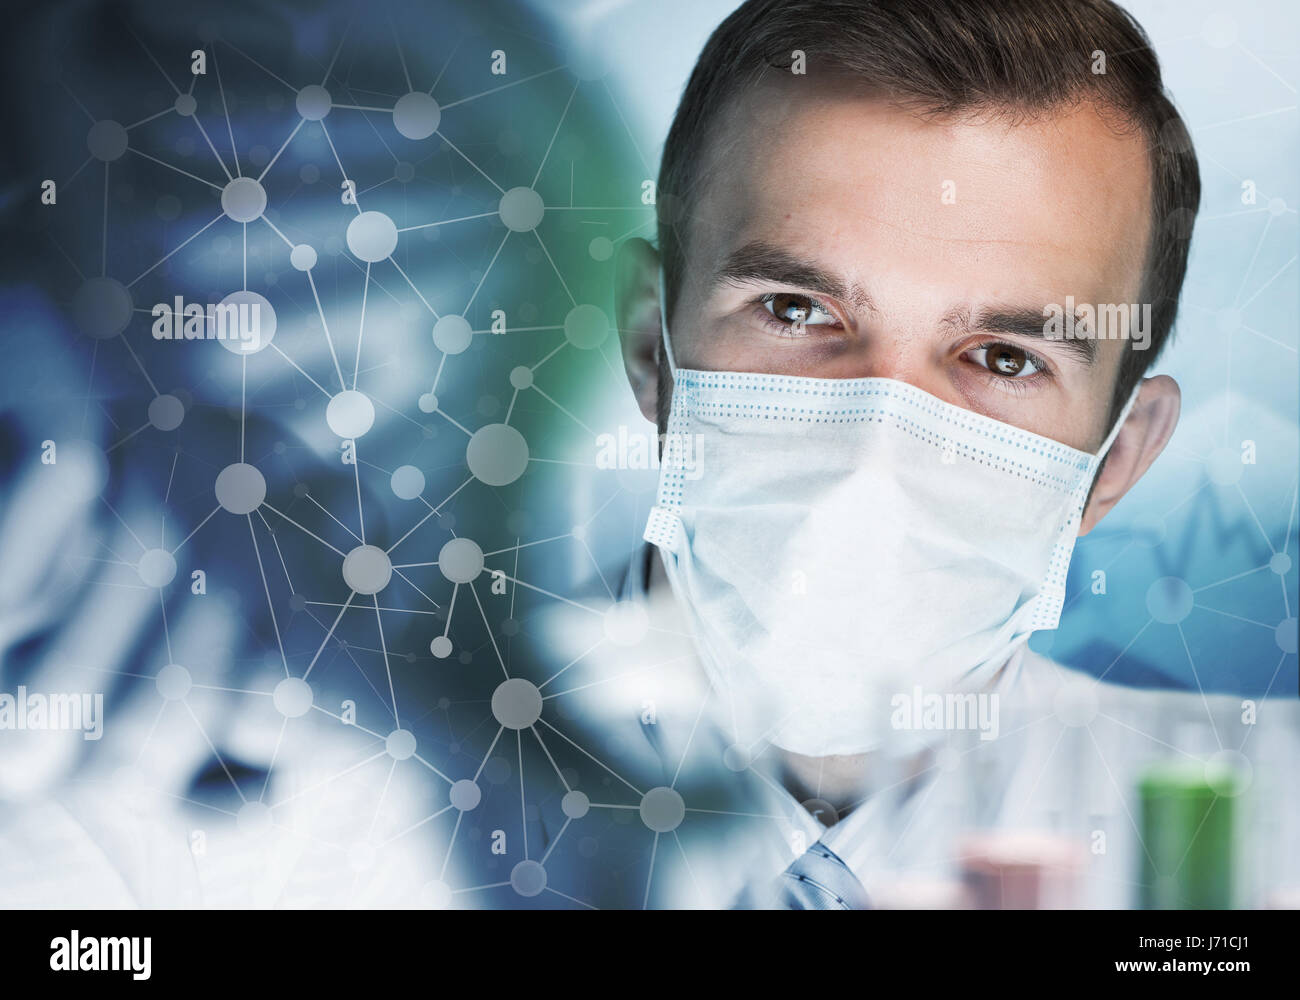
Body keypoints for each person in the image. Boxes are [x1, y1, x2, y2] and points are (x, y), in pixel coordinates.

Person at [515, 0, 1300, 908]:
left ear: (1117, 460)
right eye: (795, 311)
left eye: (1005, 359)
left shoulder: (1263, 846)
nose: (874, 455)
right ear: (650, 343)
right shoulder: (389, 812)